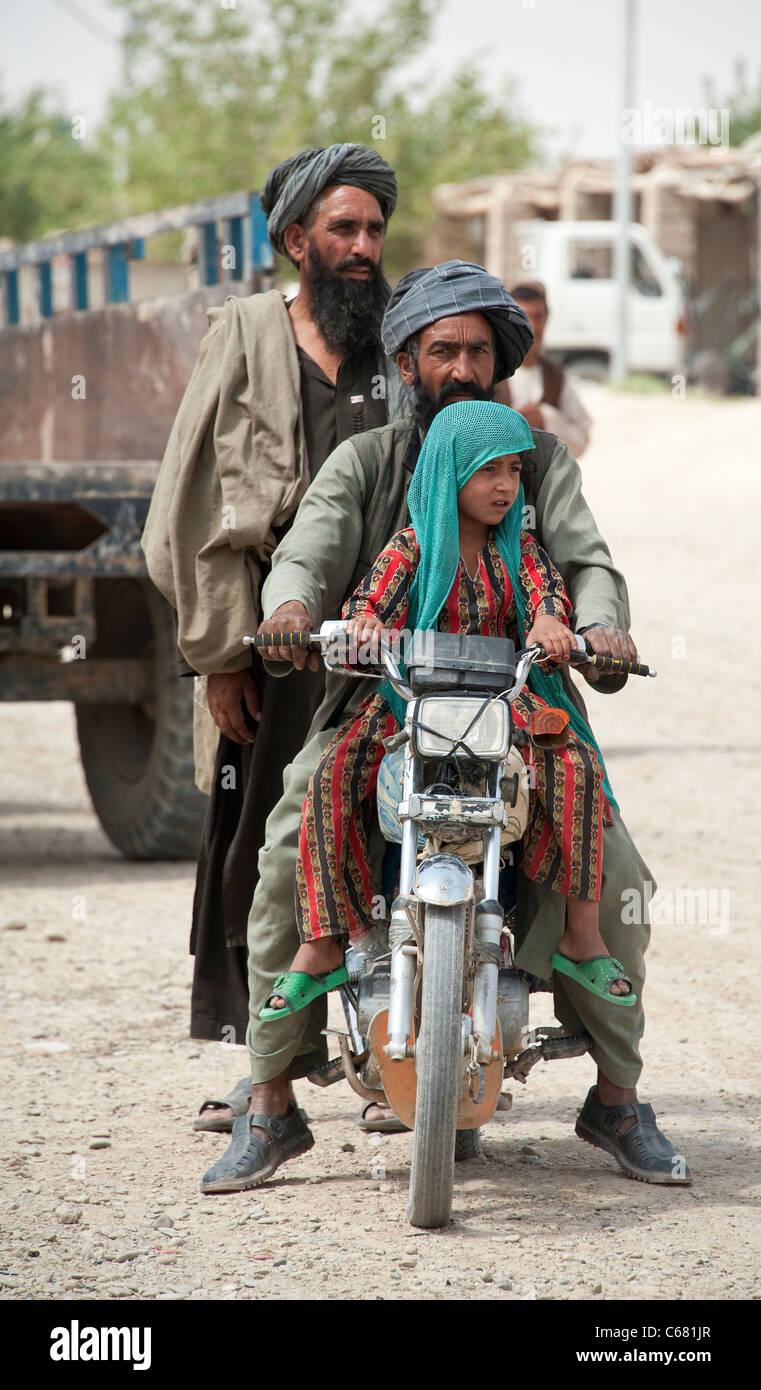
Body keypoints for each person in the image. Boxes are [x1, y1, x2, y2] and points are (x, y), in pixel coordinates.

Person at [200, 259, 690, 1194]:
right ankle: (270, 1101)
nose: (462, 368)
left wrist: (594, 628)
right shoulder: (368, 461)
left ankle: (617, 1099)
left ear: (503, 362)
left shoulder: (536, 462)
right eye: (441, 351)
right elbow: (309, 551)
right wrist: (294, 610)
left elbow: (585, 563)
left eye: (478, 352)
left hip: (519, 711)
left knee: (619, 872)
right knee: (284, 851)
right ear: (405, 361)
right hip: (384, 709)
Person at [142, 143, 402, 1132]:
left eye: (374, 228)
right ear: (296, 240)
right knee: (265, 849)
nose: (362, 246)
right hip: (272, 644)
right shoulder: (246, 334)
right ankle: (269, 1071)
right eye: (343, 228)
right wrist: (219, 657)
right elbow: (188, 502)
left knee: (398, 831)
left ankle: (404, 1064)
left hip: (387, 647)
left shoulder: (403, 341)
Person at [260, 400, 634, 1021]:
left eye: (513, 471)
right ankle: (321, 945)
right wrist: (365, 626)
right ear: (448, 472)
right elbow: (369, 605)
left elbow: (547, 599)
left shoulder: (522, 553)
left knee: (577, 768)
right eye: (488, 471)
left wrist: (551, 625)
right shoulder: (409, 550)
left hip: (503, 702)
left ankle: (582, 935)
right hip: (411, 704)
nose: (505, 487)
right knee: (330, 776)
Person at [494, 281, 592, 458]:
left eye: (538, 317)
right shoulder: (491, 373)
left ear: (546, 320)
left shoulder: (556, 376)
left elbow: (581, 440)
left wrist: (546, 419)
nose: (531, 325)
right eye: (523, 316)